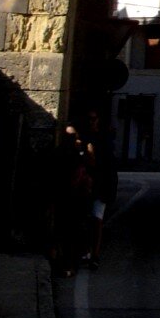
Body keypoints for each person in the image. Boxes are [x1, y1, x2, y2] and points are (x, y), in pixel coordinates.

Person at [51, 124, 93, 279]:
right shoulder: (63, 153)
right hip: (66, 199)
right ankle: (64, 265)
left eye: (74, 136)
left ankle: (67, 265)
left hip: (74, 200)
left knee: (70, 234)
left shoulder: (77, 153)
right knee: (65, 234)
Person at [82, 108, 117, 267]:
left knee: (96, 220)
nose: (91, 121)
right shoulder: (82, 137)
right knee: (84, 220)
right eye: (89, 118)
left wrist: (110, 190)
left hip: (99, 186)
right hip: (82, 184)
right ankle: (85, 250)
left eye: (94, 118)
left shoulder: (104, 140)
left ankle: (94, 254)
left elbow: (109, 167)